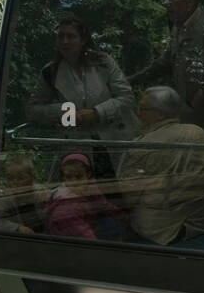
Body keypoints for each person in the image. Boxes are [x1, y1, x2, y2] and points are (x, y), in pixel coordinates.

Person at [25, 15, 138, 175]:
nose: (65, 41)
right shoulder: (51, 72)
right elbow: (32, 109)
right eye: (61, 36)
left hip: (114, 141)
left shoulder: (103, 63)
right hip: (77, 148)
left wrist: (97, 113)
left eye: (71, 36)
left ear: (83, 40)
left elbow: (127, 98)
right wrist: (65, 112)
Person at [128, 0, 204, 144]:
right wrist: (131, 81)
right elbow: (164, 63)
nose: (166, 4)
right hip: (189, 118)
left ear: (190, 0)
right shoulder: (178, 29)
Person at [117, 87, 204, 247]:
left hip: (154, 231)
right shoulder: (197, 132)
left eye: (143, 108)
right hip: (198, 224)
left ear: (160, 114)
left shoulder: (140, 144)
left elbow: (128, 195)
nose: (138, 112)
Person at [46, 153, 125, 240]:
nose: (74, 182)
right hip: (70, 238)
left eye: (78, 177)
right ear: (64, 178)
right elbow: (83, 233)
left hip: (89, 222)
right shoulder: (65, 205)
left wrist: (121, 215)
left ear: (88, 174)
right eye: (68, 177)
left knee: (112, 222)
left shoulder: (91, 189)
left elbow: (103, 205)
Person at [0, 154, 47, 237]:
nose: (15, 182)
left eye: (21, 178)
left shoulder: (42, 193)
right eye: (11, 178)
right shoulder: (7, 198)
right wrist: (18, 228)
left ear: (32, 178)